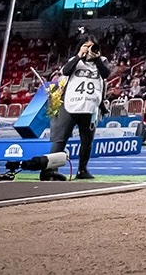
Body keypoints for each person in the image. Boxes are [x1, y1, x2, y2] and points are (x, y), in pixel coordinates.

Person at [43, 34, 111, 180]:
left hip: (90, 106)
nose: (89, 49)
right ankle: (50, 170)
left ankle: (82, 169)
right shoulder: (74, 61)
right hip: (70, 104)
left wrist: (96, 58)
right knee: (61, 139)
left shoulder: (102, 61)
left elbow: (106, 74)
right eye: (86, 46)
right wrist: (80, 55)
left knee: (87, 141)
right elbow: (66, 71)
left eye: (92, 46)